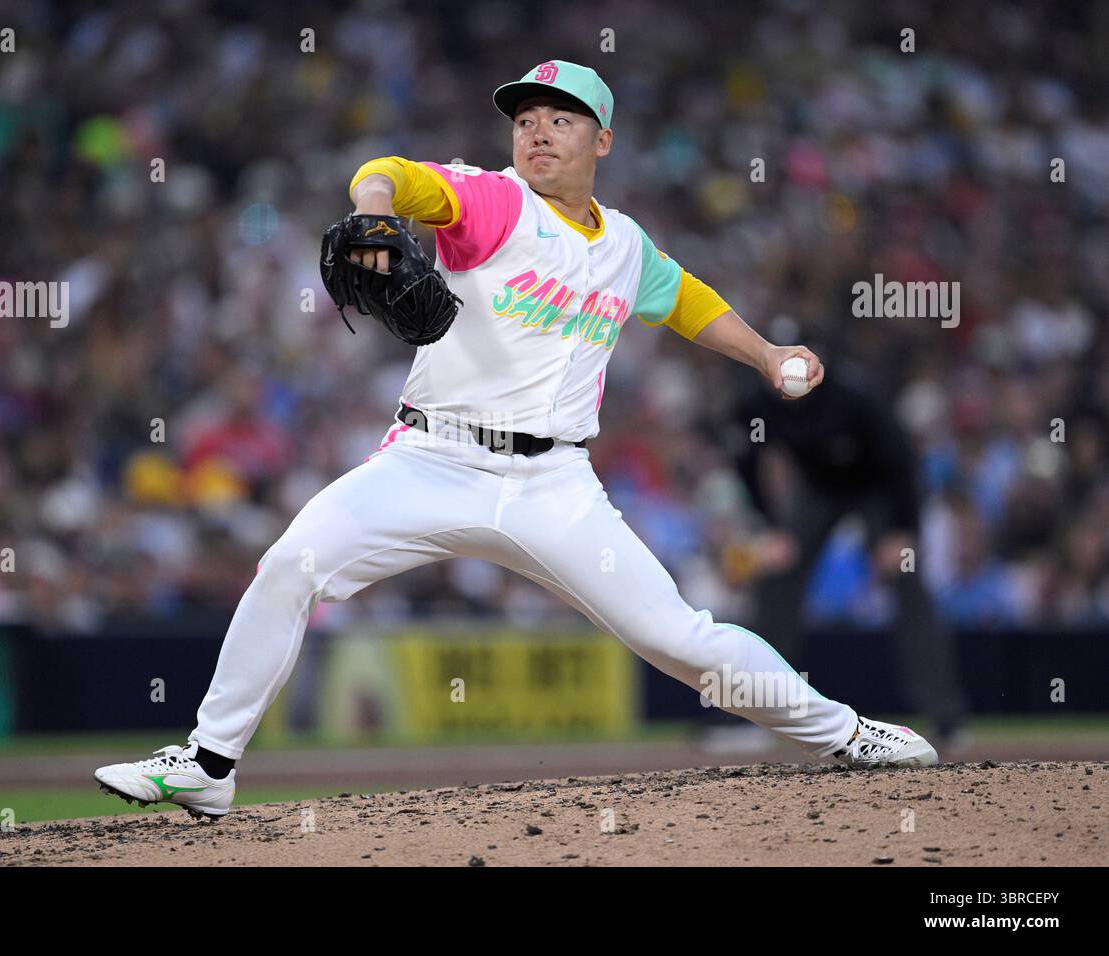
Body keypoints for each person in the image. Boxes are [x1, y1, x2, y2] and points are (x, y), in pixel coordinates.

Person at [95, 61, 939, 819]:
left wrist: (765, 353)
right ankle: (209, 763)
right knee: (290, 564)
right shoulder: (492, 199)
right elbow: (386, 172)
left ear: (603, 139)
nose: (538, 129)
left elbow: (684, 300)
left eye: (562, 118)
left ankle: (844, 734)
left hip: (554, 487)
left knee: (678, 638)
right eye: (526, 116)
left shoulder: (625, 245)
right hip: (432, 459)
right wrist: (375, 214)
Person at [733, 355, 969, 745]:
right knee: (776, 582)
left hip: (875, 489)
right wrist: (773, 526)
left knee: (908, 581)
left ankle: (945, 715)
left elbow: (900, 461)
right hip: (816, 491)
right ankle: (754, 716)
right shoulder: (756, 404)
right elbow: (746, 463)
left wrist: (902, 530)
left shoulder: (852, 398)